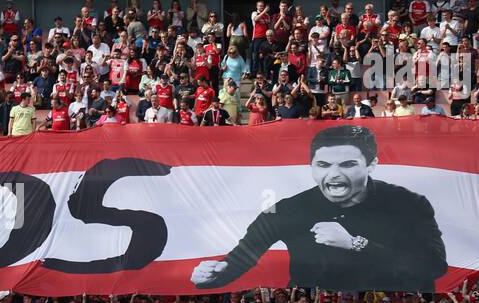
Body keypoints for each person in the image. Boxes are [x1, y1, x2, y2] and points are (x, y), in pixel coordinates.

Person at [191, 125, 447, 292]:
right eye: (323, 165)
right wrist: (215, 273)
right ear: (311, 167)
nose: (334, 175)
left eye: (347, 164)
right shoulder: (285, 210)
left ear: (371, 165)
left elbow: (434, 266)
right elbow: (241, 257)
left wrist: (355, 243)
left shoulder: (409, 204)